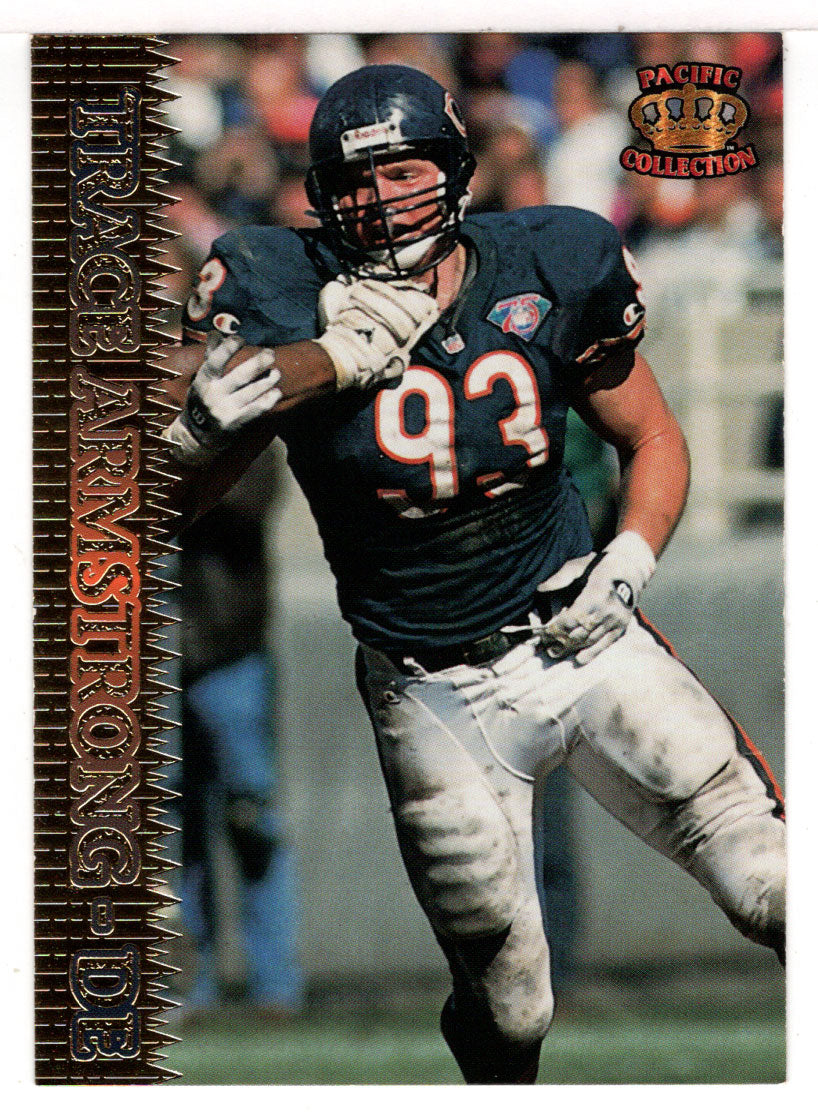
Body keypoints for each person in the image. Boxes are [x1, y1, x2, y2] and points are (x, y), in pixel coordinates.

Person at [160, 64, 785, 1085]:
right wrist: (197, 432)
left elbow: (654, 437)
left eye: (403, 171)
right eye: (354, 181)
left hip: (579, 633)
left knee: (773, 882)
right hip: (429, 685)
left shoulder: (547, 260)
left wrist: (627, 563)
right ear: (320, 194)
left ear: (453, 171)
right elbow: (166, 509)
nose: (380, 200)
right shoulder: (281, 289)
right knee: (513, 1003)